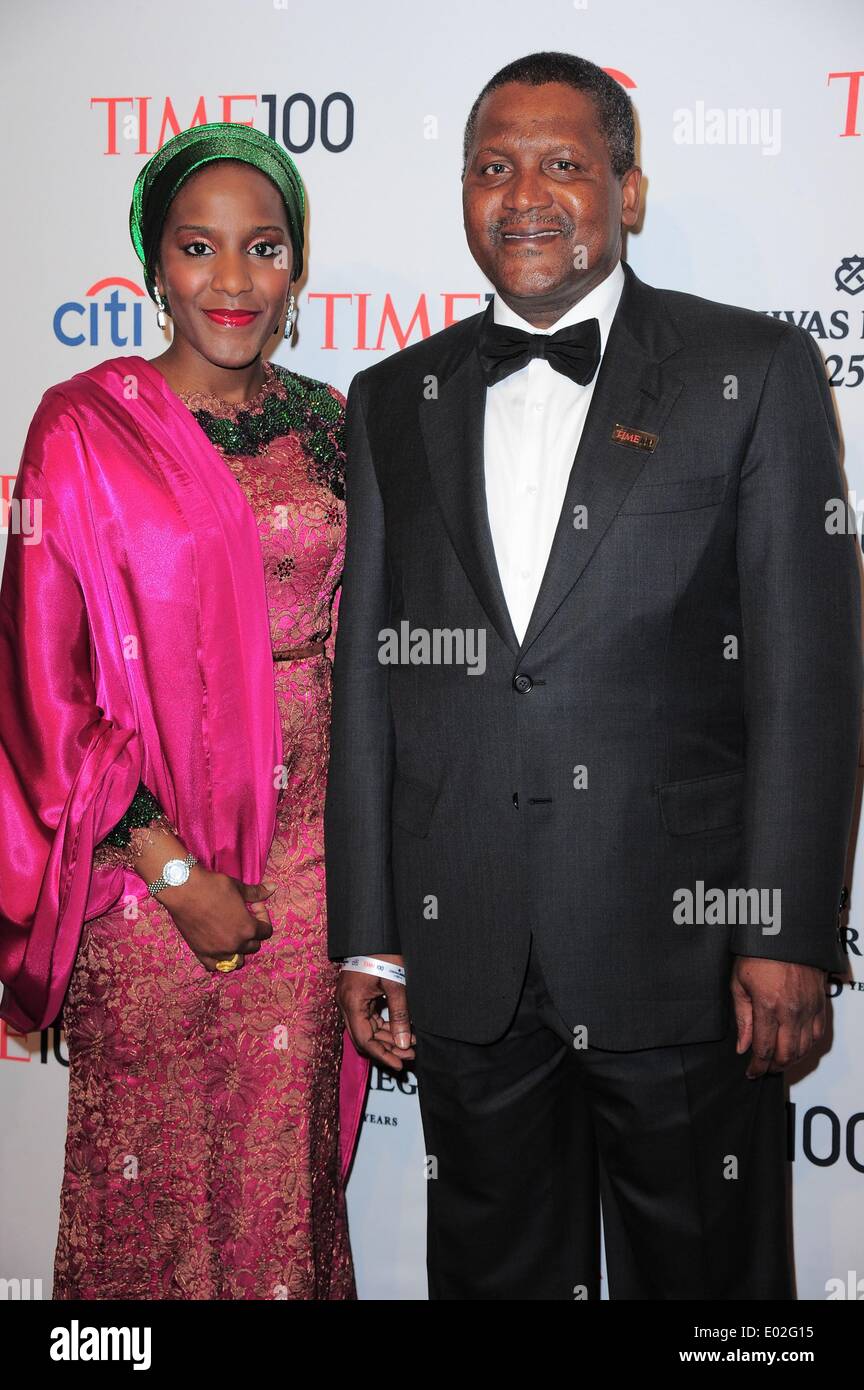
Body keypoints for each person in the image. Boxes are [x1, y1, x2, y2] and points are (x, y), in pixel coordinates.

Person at [325, 52, 862, 1299]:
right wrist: (373, 936)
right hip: (469, 963)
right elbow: (371, 684)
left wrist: (783, 929)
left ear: (629, 188)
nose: (526, 194)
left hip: (687, 964)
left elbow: (808, 677)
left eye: (564, 163)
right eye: (494, 166)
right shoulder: (393, 397)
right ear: (461, 190)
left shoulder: (758, 371)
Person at [0, 121, 368, 1300]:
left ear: (297, 268)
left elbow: (374, 656)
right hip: (141, 886)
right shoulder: (81, 427)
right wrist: (169, 873)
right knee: (144, 1201)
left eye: (263, 248)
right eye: (198, 247)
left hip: (310, 884)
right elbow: (38, 682)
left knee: (282, 1205)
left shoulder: (335, 423)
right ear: (153, 265)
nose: (232, 280)